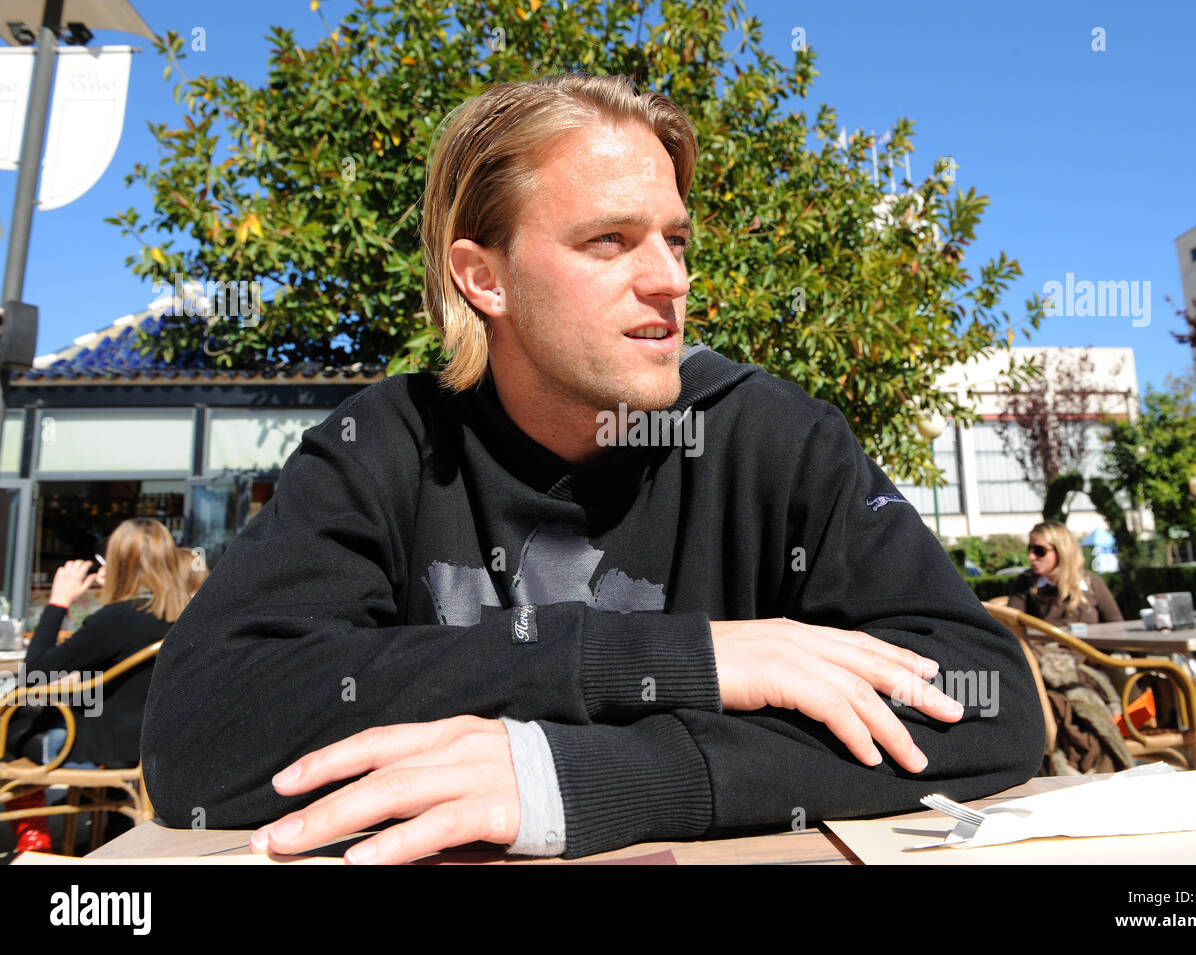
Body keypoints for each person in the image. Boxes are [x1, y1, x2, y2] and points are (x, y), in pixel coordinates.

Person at [140, 73, 1042, 863]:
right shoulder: (385, 445)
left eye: (676, 240)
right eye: (609, 241)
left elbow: (986, 697)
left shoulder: (772, 437)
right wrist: (680, 660)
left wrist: (586, 779)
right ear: (482, 278)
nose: (670, 280)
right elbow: (198, 728)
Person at [4, 518, 190, 853]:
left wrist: (59, 601)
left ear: (117, 563)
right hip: (154, 746)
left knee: (11, 722)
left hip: (101, 748)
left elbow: (35, 672)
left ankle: (35, 841)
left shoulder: (118, 618)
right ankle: (108, 836)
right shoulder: (188, 616)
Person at [1007, 521, 1122, 626]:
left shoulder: (1092, 582)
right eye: (1030, 549)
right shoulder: (1027, 582)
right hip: (1044, 649)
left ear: (1062, 551)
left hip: (1093, 648)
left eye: (1039, 550)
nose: (1031, 556)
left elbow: (1117, 626)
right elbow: (1010, 624)